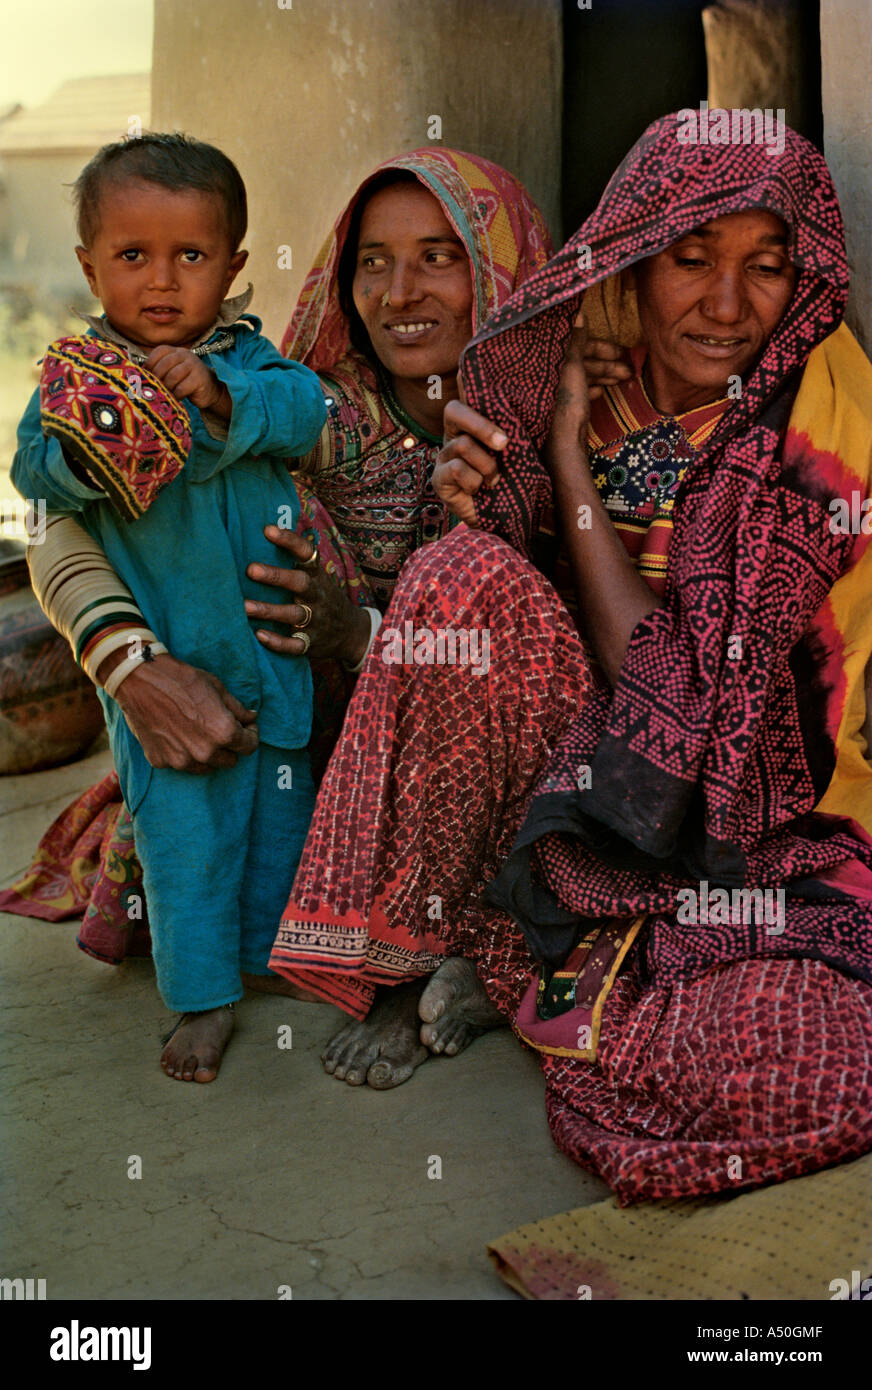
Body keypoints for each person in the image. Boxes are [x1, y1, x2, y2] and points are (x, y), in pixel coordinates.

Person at [266, 112, 872, 1202]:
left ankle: (540, 956)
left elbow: (669, 673)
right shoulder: (571, 367)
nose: (724, 307)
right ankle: (437, 952)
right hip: (574, 800)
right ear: (637, 256)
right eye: (689, 261)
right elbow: (481, 609)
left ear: (807, 275)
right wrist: (516, 471)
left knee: (802, 1062)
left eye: (765, 268)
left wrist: (569, 472)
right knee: (456, 579)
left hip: (763, 837)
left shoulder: (826, 434)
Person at [2, 147, 555, 1056]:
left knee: (286, 825)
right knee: (198, 837)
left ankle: (386, 951)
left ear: (498, 267)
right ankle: (226, 985)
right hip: (277, 713)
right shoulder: (263, 402)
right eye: (372, 261)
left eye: (441, 254)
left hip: (473, 746)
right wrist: (127, 655)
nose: (400, 289)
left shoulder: (560, 419)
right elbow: (53, 511)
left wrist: (366, 631)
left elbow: (563, 654)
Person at [12, 133, 327, 1083]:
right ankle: (201, 1000)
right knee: (186, 848)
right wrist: (84, 449)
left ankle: (267, 958)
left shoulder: (250, 363)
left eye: (191, 257)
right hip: (166, 676)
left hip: (274, 663)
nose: (161, 281)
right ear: (88, 266)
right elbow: (35, 479)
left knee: (280, 825)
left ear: (231, 267)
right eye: (132, 256)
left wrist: (225, 396)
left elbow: (308, 411)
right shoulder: (76, 385)